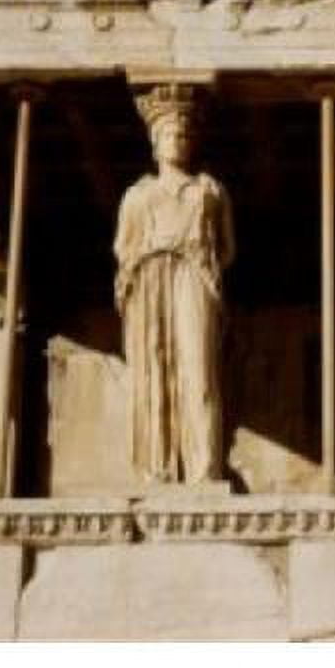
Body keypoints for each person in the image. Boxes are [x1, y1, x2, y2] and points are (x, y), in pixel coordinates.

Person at [114, 87, 234, 484]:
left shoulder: (209, 190)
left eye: (183, 135)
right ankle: (157, 469)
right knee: (153, 372)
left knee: (198, 371)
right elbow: (122, 247)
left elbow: (228, 248)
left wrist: (200, 265)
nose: (177, 141)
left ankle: (204, 468)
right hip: (148, 282)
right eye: (168, 134)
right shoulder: (137, 195)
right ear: (154, 143)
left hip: (194, 276)